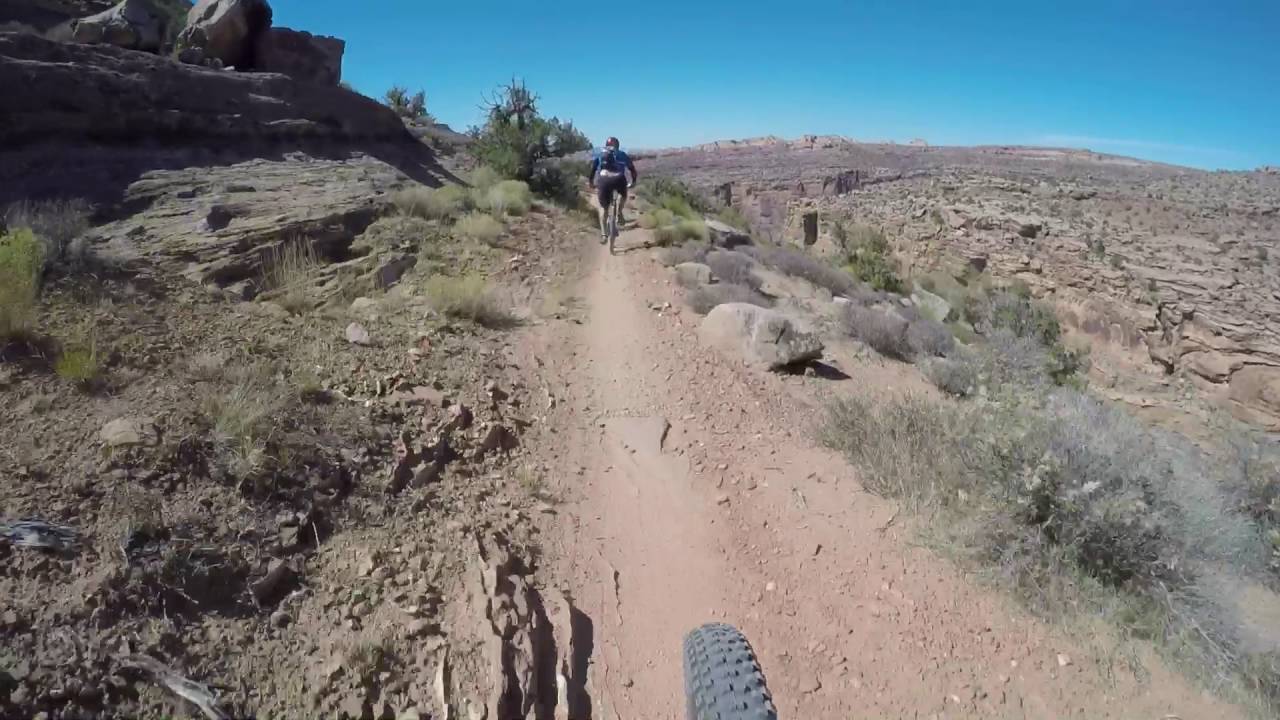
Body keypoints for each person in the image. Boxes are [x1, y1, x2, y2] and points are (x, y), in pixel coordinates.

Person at [588, 137, 638, 244]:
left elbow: (593, 169)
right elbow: (632, 169)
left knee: (603, 208)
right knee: (623, 195)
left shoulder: (600, 154)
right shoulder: (622, 154)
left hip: (603, 180)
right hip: (619, 179)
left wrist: (591, 182)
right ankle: (619, 212)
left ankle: (604, 235)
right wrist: (633, 182)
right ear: (617, 145)